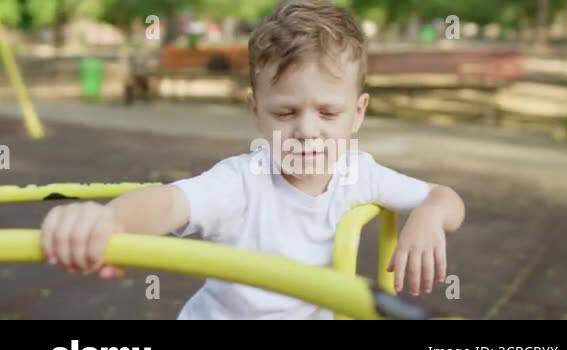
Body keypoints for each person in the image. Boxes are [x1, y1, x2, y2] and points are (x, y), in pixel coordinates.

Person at [40, 0, 466, 320]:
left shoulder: (358, 172)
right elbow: (169, 202)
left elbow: (446, 198)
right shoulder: (242, 182)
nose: (307, 130)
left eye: (328, 113)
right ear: (256, 112)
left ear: (357, 113)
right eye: (285, 112)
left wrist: (429, 214)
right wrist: (110, 221)